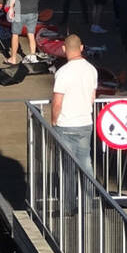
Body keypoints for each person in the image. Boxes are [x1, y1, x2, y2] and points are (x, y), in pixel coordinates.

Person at [51, 34, 98, 174]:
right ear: (81, 48)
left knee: (67, 167)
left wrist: (54, 121)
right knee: (85, 162)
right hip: (85, 122)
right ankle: (89, 194)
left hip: (66, 123)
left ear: (64, 49)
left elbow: (57, 102)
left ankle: (68, 196)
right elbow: (92, 97)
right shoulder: (91, 70)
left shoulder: (62, 72)